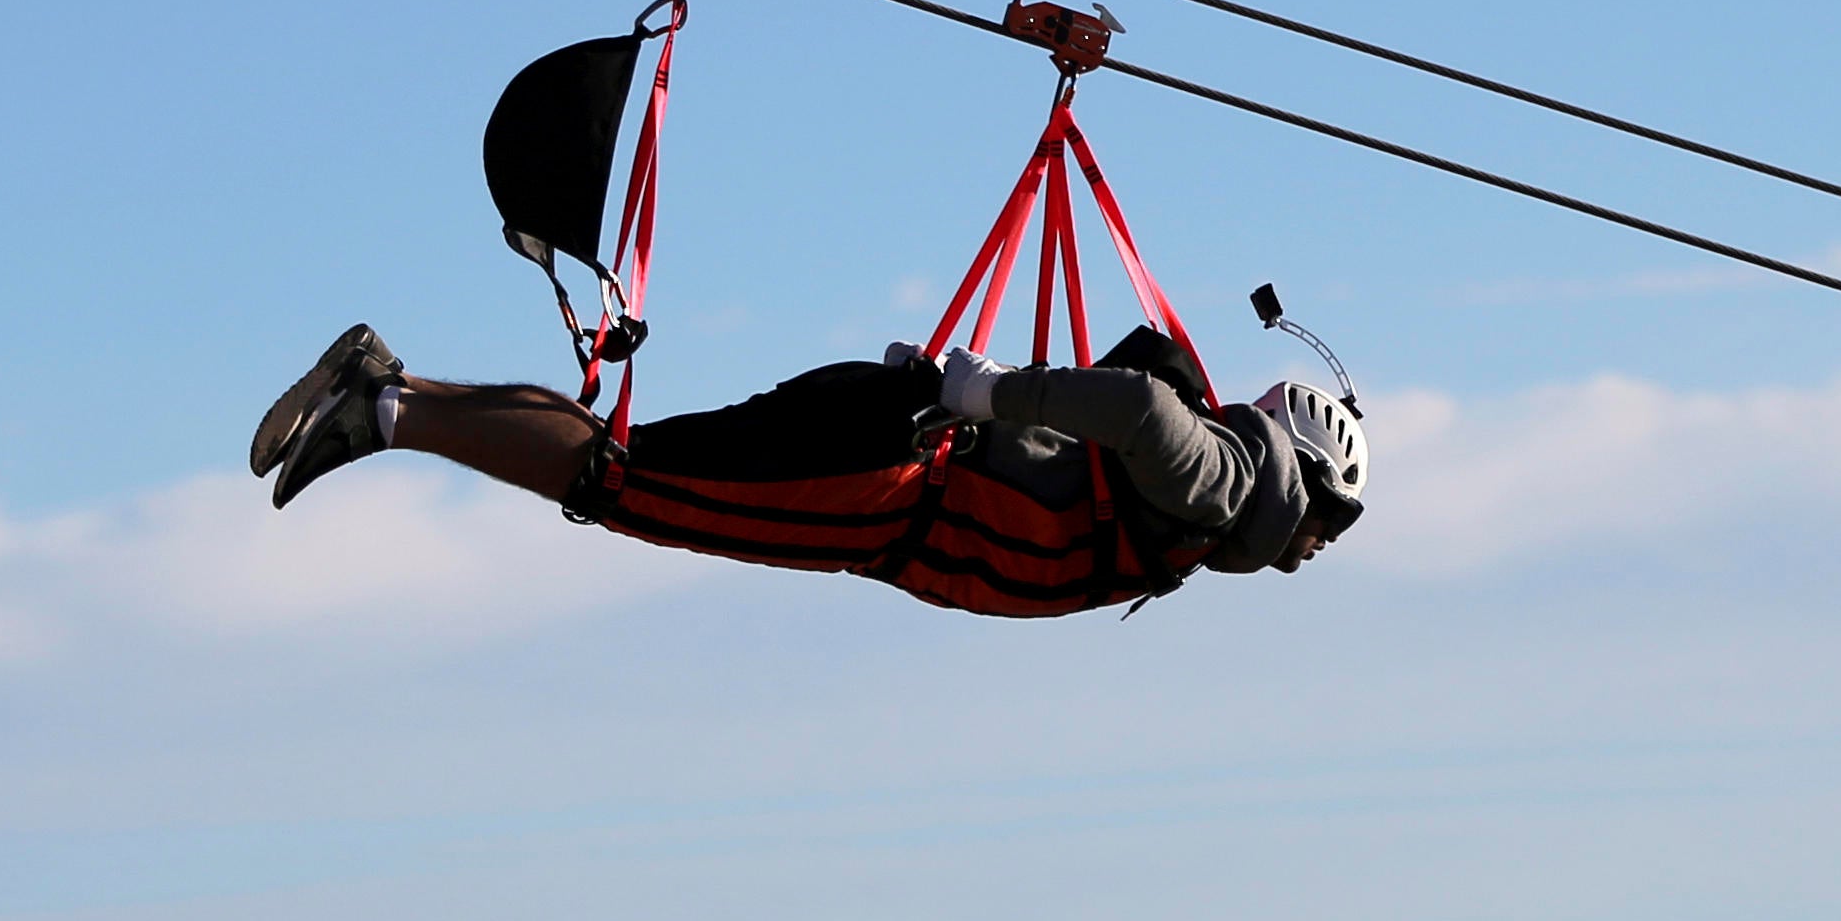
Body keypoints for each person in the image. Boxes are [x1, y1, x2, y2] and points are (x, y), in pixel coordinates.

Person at [247, 320, 1368, 618]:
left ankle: (388, 392)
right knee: (618, 484)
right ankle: (383, 409)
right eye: (1328, 524)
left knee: (626, 465)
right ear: (1302, 476)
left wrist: (971, 398)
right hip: (875, 483)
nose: (1311, 553)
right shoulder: (1230, 489)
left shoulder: (1199, 512)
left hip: (885, 461)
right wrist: (985, 395)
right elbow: (1131, 405)